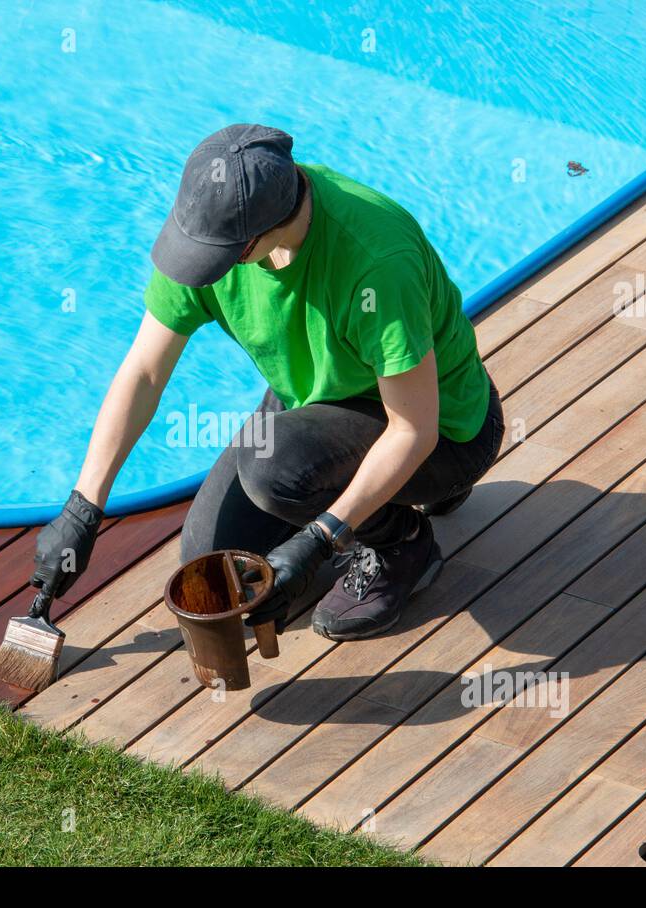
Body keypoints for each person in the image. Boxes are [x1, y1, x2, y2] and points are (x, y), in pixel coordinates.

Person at [30, 124, 503, 639]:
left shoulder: (375, 260)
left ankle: (400, 540)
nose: (203, 267)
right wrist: (83, 508)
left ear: (261, 234)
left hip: (442, 432)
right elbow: (144, 371)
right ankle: (348, 498)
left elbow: (414, 430)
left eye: (218, 256)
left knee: (270, 469)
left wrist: (322, 539)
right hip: (316, 404)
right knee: (212, 562)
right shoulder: (212, 228)